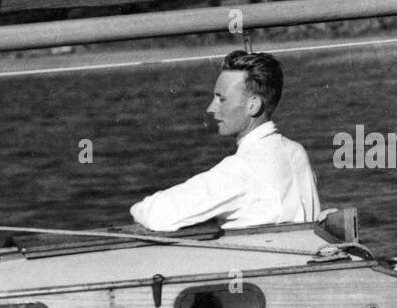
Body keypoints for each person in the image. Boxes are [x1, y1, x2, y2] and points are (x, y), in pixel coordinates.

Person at [130, 50, 321, 231]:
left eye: (221, 99)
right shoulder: (296, 151)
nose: (210, 108)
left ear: (253, 105)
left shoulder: (241, 170)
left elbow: (156, 213)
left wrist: (137, 209)